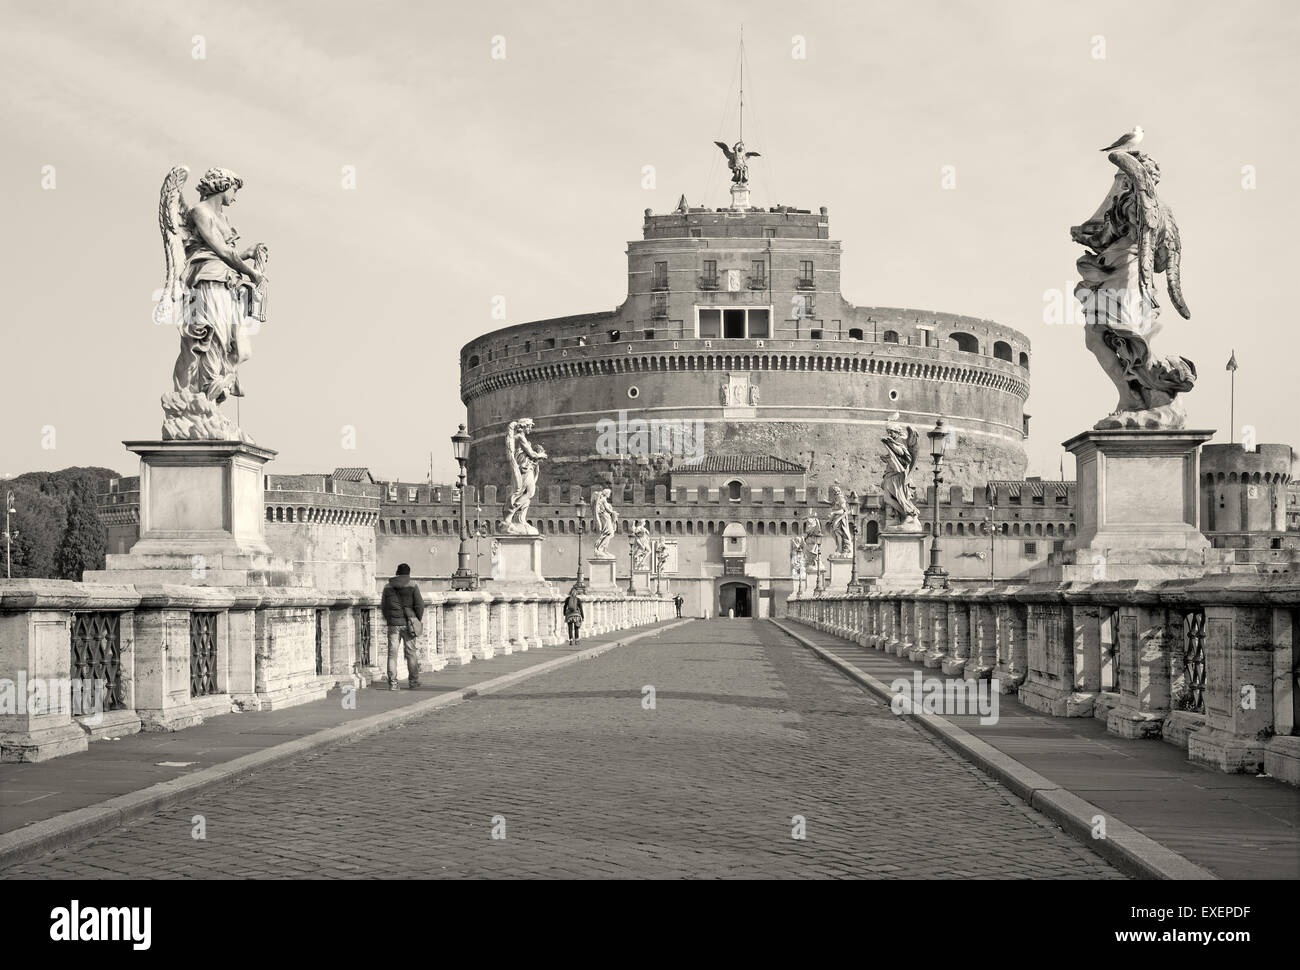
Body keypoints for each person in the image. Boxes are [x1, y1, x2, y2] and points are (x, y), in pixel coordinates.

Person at [381, 563, 424, 690]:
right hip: (408, 624)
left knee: (392, 654)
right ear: (408, 573)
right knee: (411, 653)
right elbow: (420, 605)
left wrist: (390, 619)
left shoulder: (387, 587)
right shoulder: (413, 585)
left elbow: (384, 607)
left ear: (397, 572)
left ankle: (393, 683)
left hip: (393, 625)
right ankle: (413, 682)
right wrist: (416, 619)